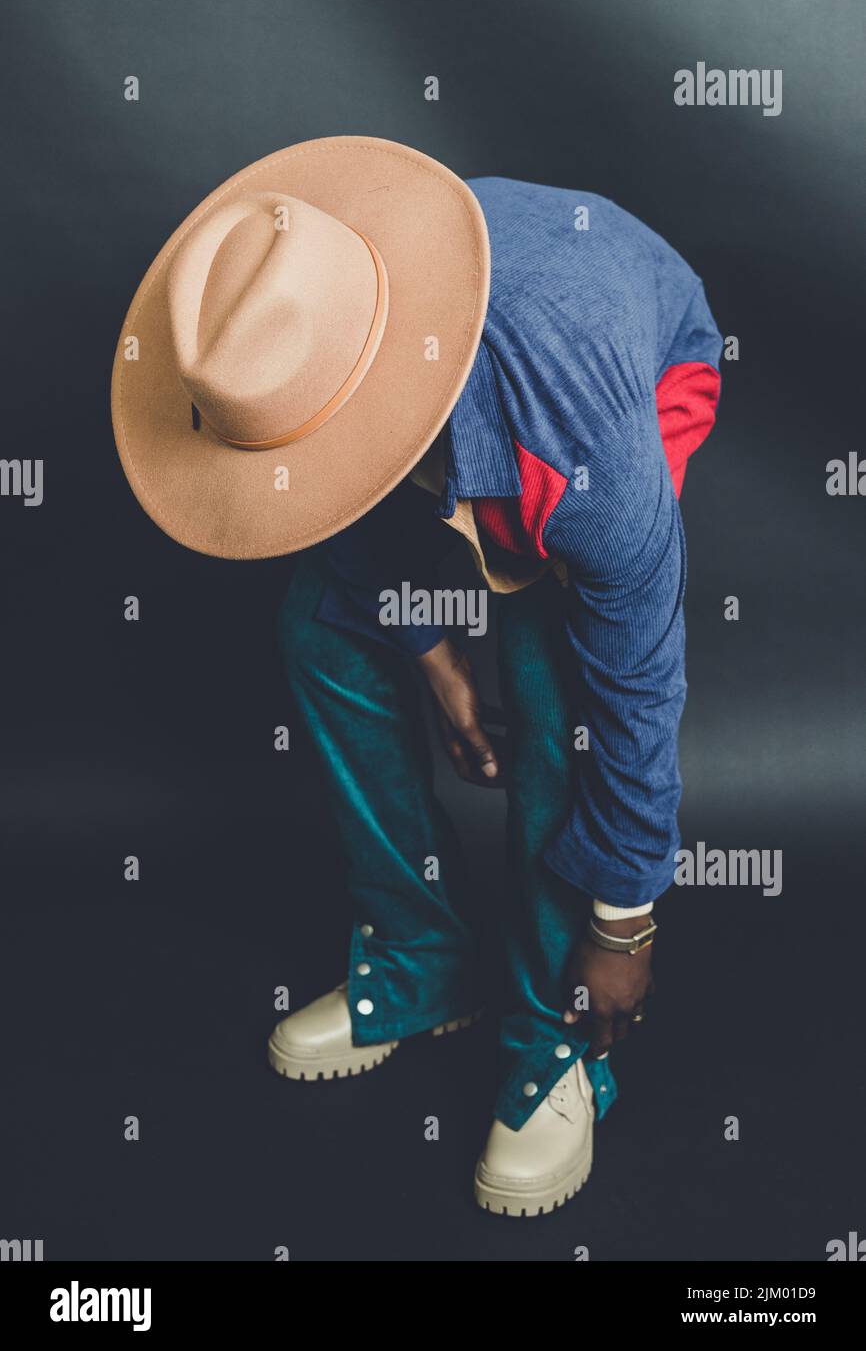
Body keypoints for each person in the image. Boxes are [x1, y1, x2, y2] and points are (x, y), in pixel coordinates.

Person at [112, 136, 721, 1217]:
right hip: (445, 391)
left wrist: (623, 925)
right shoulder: (302, 327)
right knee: (320, 623)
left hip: (620, 368)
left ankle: (551, 1041)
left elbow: (641, 687)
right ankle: (420, 958)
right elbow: (331, 503)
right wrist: (437, 661)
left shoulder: (582, 443)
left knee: (552, 690)